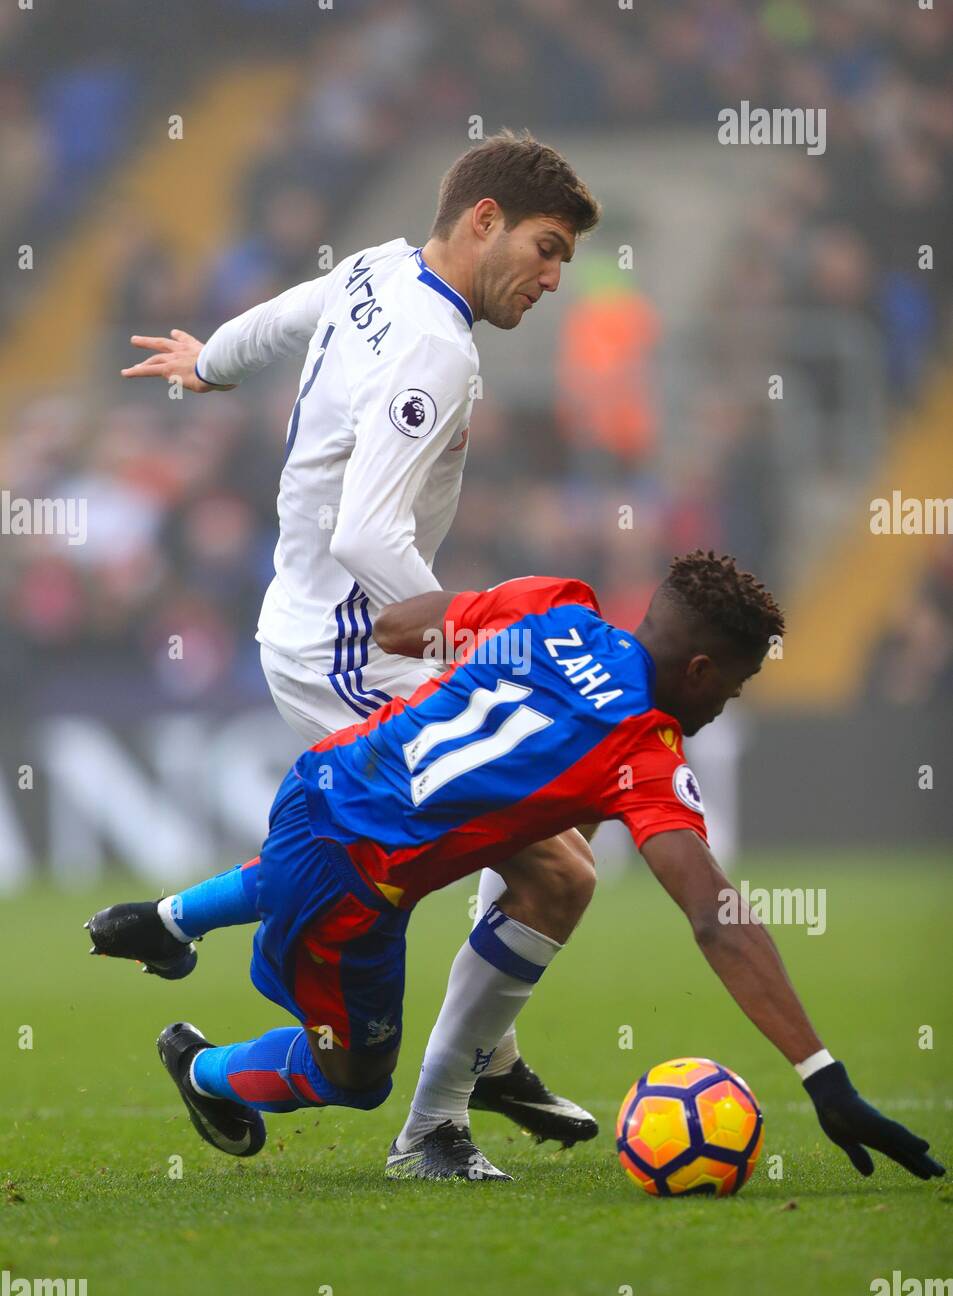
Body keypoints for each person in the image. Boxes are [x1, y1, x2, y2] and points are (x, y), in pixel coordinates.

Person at [86, 130, 605, 1149]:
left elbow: (292, 309)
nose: (552, 278)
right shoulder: (437, 348)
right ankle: (441, 1110)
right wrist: (474, 653)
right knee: (543, 870)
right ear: (483, 219)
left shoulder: (379, 267)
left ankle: (190, 931)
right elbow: (366, 532)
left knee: (532, 851)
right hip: (349, 645)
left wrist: (211, 364)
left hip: (335, 627)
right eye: (545, 249)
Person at [133, 553, 943, 1183]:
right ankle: (207, 1070)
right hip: (351, 885)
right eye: (734, 684)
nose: (728, 702)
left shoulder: (557, 605)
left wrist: (487, 673)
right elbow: (712, 916)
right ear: (699, 671)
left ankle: (454, 1099)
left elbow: (398, 631)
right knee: (352, 1077)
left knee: (560, 876)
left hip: (320, 781)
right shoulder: (641, 749)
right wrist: (822, 1078)